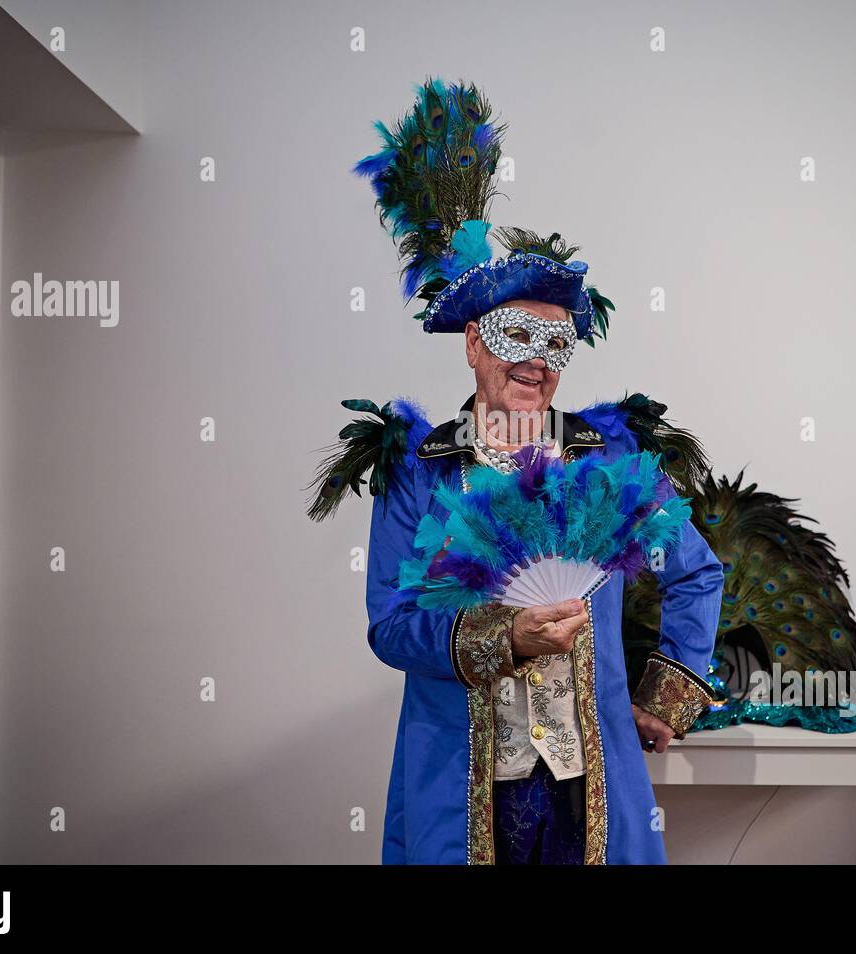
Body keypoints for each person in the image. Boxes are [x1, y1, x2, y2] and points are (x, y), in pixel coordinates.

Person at [309, 78, 725, 864]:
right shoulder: (418, 474)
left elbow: (696, 573)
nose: (537, 363)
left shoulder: (611, 465)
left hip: (588, 781)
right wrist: (504, 635)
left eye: (557, 345)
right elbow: (391, 628)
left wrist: (665, 695)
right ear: (472, 344)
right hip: (463, 780)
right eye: (514, 337)